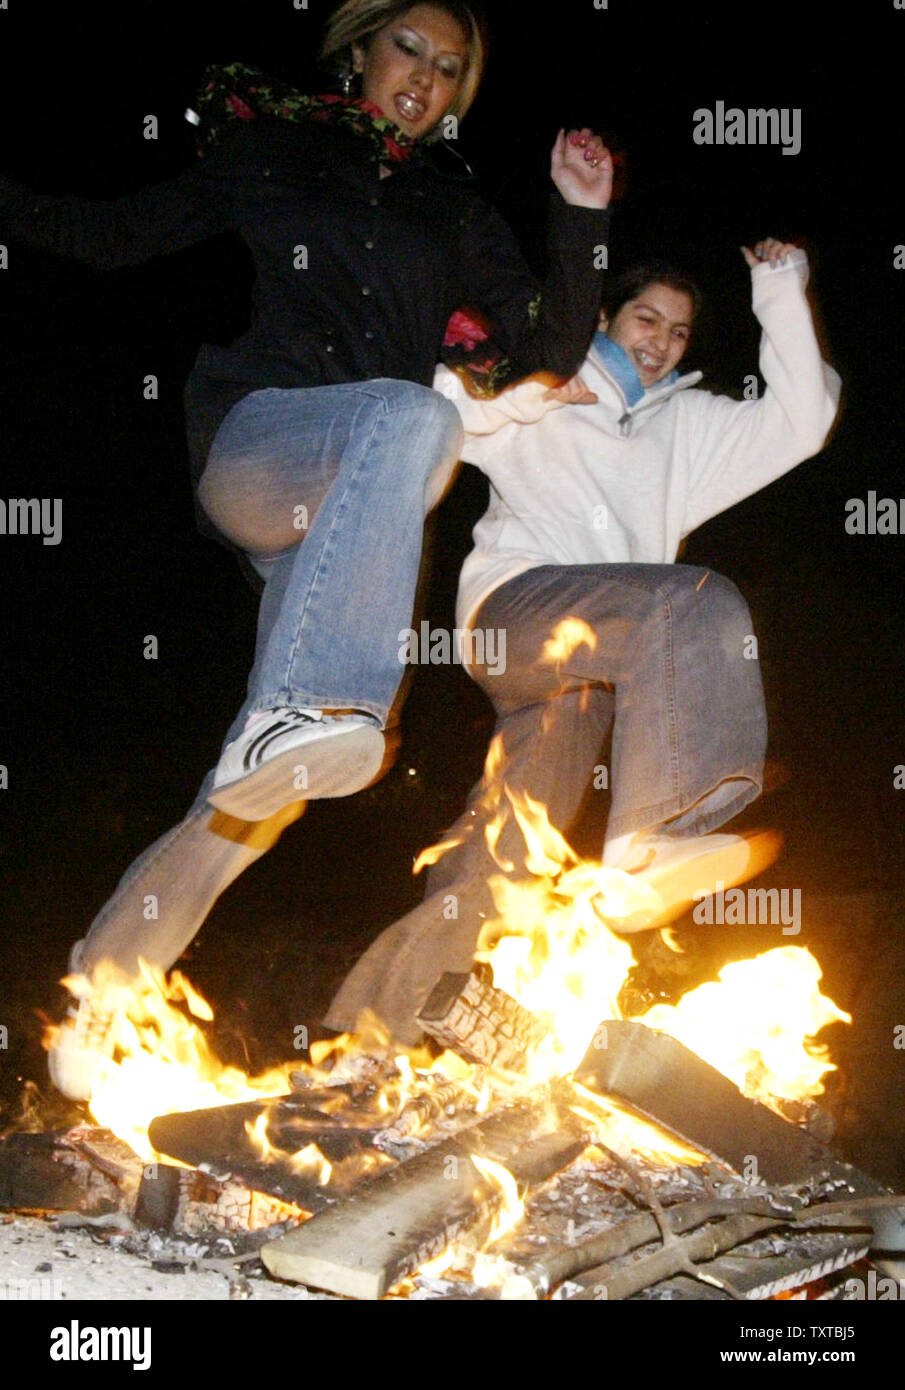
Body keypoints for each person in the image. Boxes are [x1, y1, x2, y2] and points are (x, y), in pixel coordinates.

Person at [0, 0, 614, 1098]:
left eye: (450, 68)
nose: (423, 78)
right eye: (407, 51)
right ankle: (317, 702)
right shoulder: (272, 150)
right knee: (415, 418)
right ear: (361, 52)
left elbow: (544, 339)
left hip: (350, 527)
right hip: (262, 445)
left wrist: (580, 215)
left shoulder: (449, 204)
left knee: (259, 790)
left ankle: (100, 996)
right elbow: (107, 233)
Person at [325, 237, 842, 1044]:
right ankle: (650, 840)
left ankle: (372, 1036)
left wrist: (779, 289)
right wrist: (524, 388)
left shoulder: (690, 429)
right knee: (692, 603)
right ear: (604, 318)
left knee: (502, 852)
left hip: (600, 667)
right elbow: (437, 408)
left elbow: (802, 422)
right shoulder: (549, 380)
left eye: (676, 332)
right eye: (645, 318)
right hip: (515, 614)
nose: (660, 341)